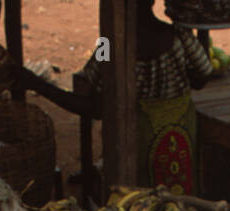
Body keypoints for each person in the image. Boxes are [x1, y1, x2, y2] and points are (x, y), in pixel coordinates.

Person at [32, 0, 213, 194]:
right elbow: (202, 76)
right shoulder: (179, 35)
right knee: (177, 194)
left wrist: (37, 85)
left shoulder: (108, 46)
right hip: (178, 137)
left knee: (138, 202)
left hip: (133, 142)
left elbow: (93, 101)